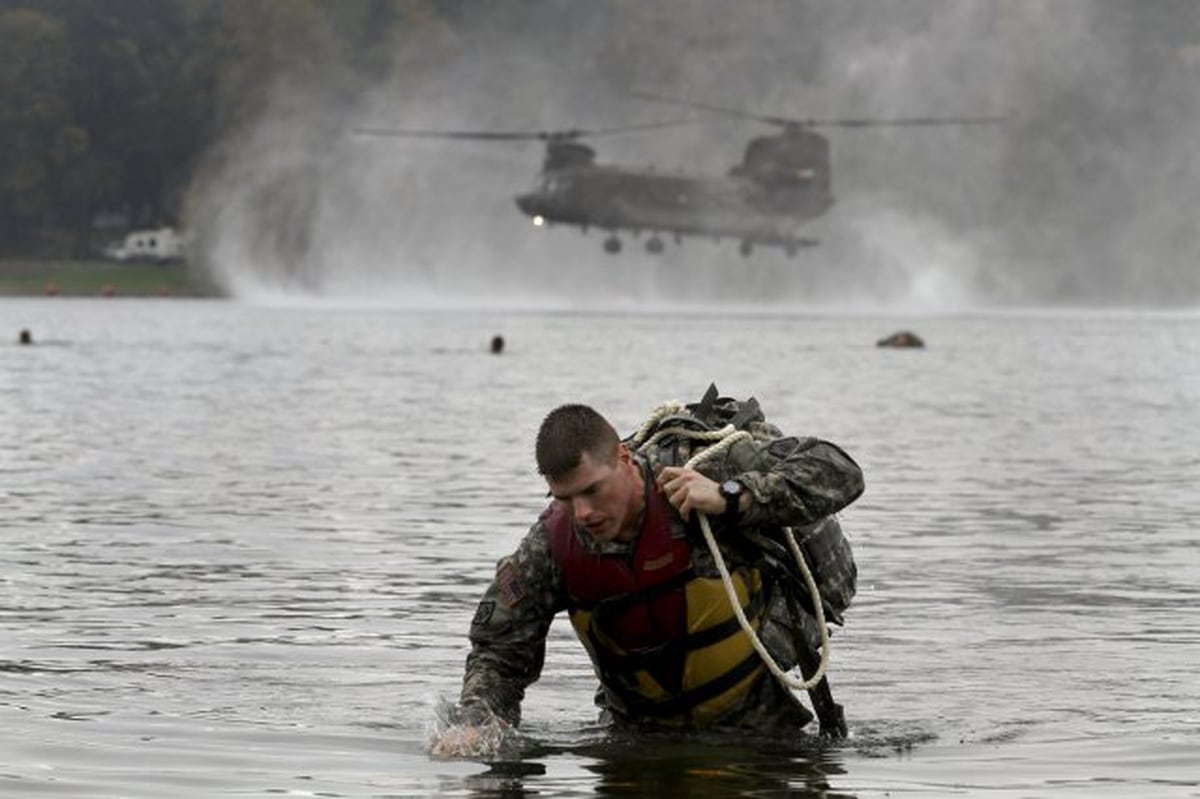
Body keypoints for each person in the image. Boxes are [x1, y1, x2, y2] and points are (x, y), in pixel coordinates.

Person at [431, 387, 864, 756]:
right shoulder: (550, 546)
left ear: (622, 458)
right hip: (637, 738)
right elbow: (499, 653)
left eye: (592, 491)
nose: (581, 513)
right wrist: (477, 724)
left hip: (760, 731)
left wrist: (733, 496)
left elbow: (839, 471)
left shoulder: (704, 475)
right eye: (564, 498)